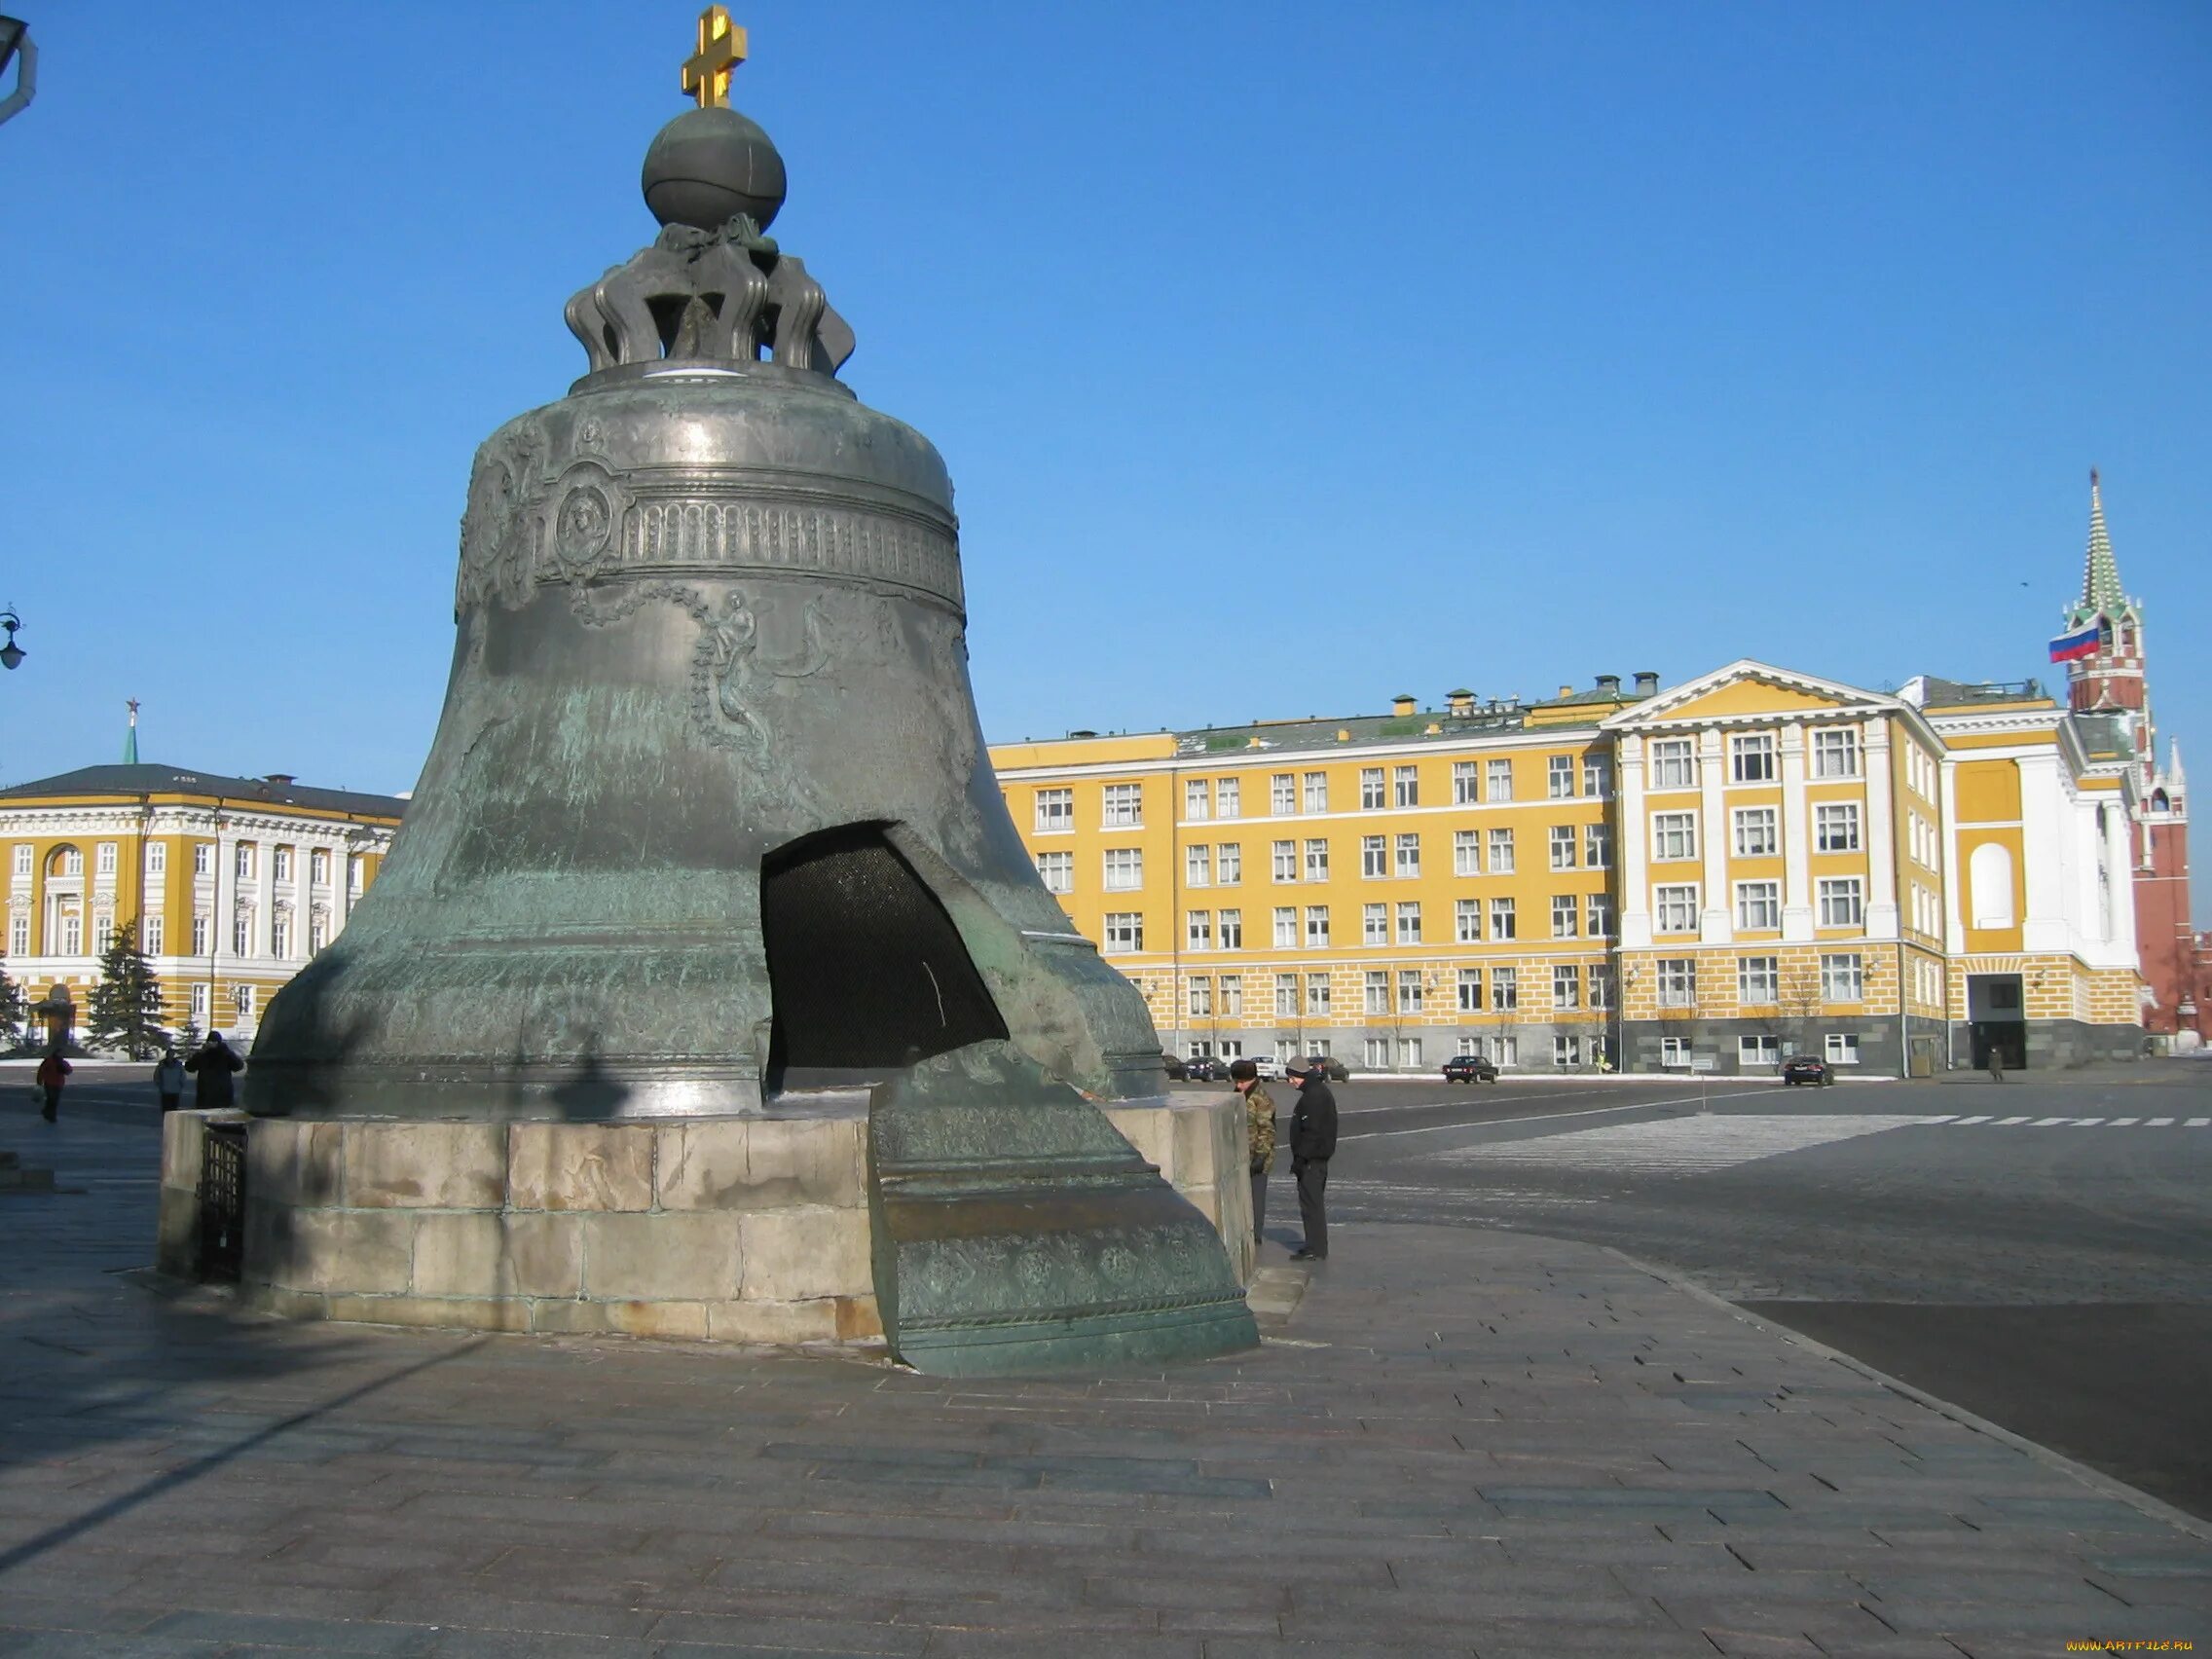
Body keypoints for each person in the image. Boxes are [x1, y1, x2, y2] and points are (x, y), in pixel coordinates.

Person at [1285, 1057, 1338, 1261]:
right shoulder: (1317, 1091)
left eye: (1292, 1077)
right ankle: (1315, 1245)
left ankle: (1315, 1248)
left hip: (1311, 1160)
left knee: (1311, 1204)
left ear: (1301, 1075)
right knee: (1313, 1203)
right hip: (1316, 1158)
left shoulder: (1313, 1096)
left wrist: (1300, 1159)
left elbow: (1312, 1132)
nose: (1291, 1082)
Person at [1231, 1058, 1276, 1243]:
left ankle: (1255, 1234)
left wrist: (1261, 1156)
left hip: (1258, 1157)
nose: (1238, 1086)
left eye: (1242, 1082)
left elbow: (1267, 1130)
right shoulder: (1237, 1095)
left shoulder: (1261, 1099)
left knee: (1256, 1198)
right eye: (1237, 1082)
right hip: (1240, 1155)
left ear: (1251, 1079)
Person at [185, 1030, 244, 1108]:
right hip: (206, 1094)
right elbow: (189, 1067)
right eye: (210, 1041)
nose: (212, 1044)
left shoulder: (225, 1054)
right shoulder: (203, 1054)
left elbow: (238, 1066)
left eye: (214, 1042)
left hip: (222, 1093)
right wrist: (200, 1053)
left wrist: (227, 1052)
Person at [35, 1046, 71, 1123]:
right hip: (49, 1083)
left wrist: (65, 1069)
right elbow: (41, 1070)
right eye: (59, 1053)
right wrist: (39, 1081)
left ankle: (47, 1112)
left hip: (58, 1083)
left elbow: (69, 1071)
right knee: (52, 1099)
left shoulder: (62, 1062)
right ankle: (51, 1116)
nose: (60, 1054)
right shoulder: (49, 1061)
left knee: (53, 1100)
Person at [154, 1044, 186, 1113]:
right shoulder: (161, 1066)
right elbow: (156, 1076)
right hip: (165, 1091)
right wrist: (159, 1085)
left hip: (175, 1091)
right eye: (169, 1054)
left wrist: (181, 1085)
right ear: (167, 1055)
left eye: (172, 1054)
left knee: (174, 1110)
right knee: (166, 1110)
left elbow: (183, 1076)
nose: (170, 1056)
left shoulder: (178, 1065)